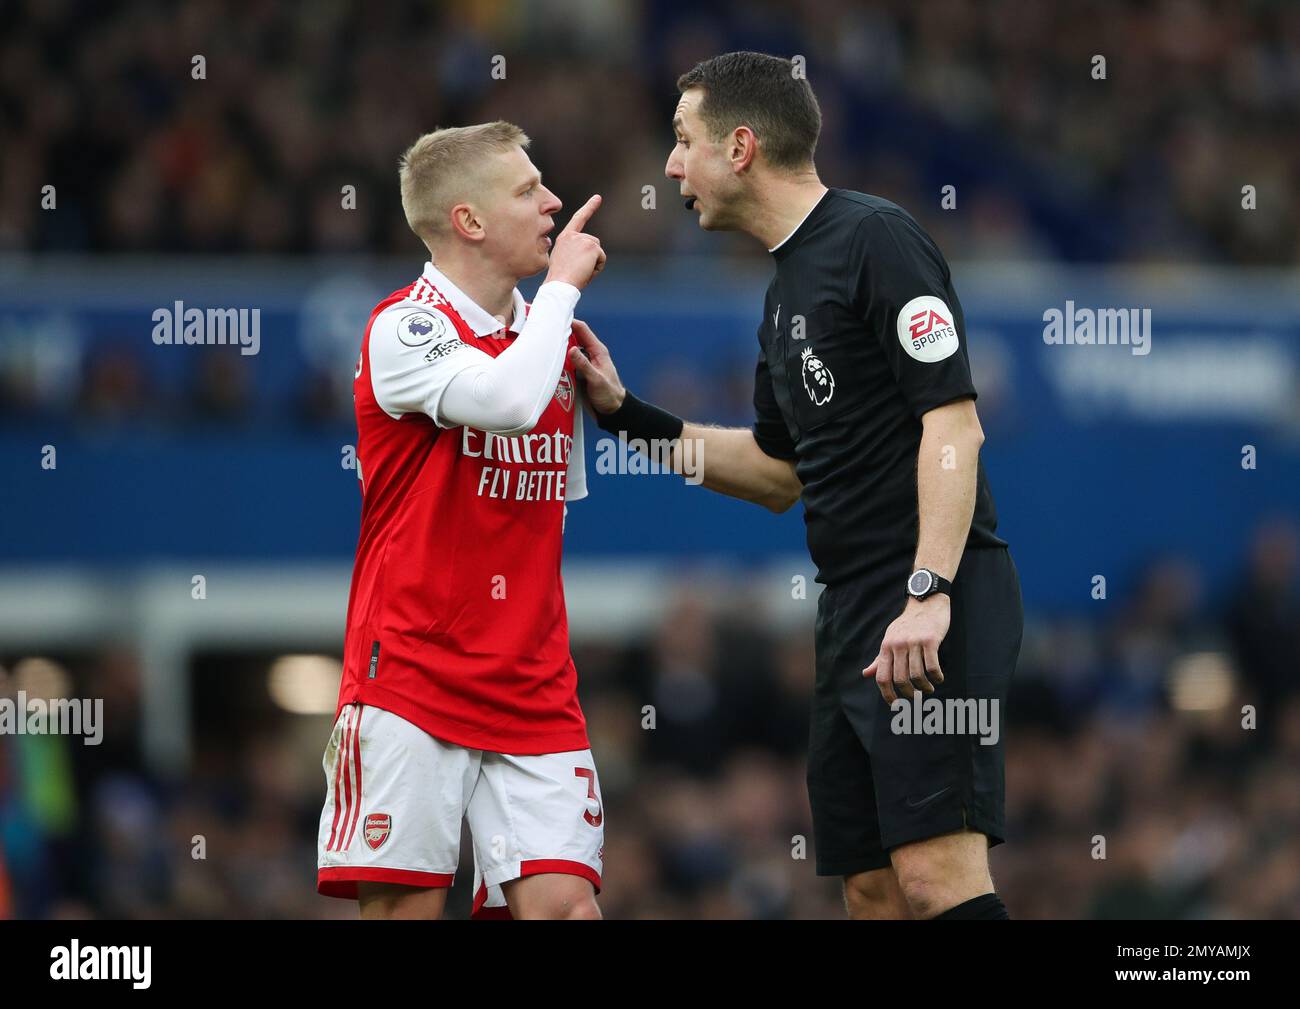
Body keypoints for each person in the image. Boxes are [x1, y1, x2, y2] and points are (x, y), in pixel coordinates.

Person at [571, 53, 1022, 920]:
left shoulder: (874, 239)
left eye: (682, 141)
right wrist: (628, 416)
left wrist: (928, 593)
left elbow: (953, 425)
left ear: (739, 147)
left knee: (937, 877)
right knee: (873, 889)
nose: (669, 167)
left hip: (932, 600)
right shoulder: (781, 294)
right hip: (851, 612)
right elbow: (779, 476)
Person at [316, 121, 608, 920]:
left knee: (567, 909)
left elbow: (544, 504)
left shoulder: (549, 344)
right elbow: (507, 404)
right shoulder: (403, 327)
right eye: (527, 190)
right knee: (405, 911)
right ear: (469, 221)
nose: (552, 201)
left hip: (532, 680)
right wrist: (561, 291)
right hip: (414, 671)